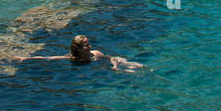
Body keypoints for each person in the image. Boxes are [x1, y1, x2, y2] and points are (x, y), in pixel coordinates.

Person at [13, 35, 142, 71]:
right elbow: (48, 58)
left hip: (115, 61)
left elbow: (110, 58)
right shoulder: (71, 58)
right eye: (86, 45)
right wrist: (25, 59)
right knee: (131, 72)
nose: (90, 46)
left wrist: (115, 65)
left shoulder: (95, 53)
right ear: (79, 49)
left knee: (133, 66)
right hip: (103, 67)